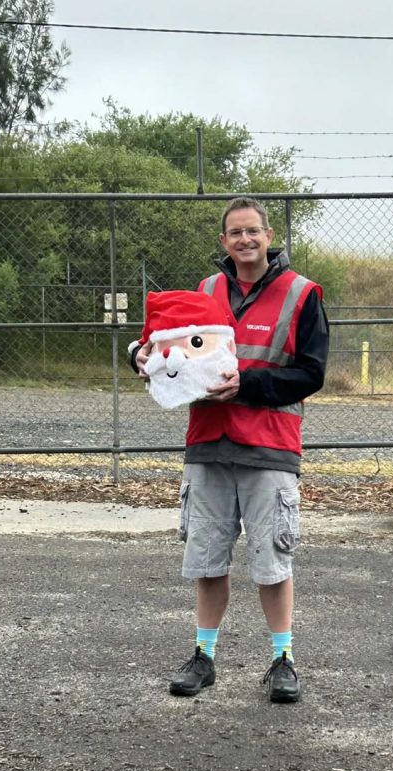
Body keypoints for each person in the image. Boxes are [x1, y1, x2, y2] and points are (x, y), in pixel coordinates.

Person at [133, 196, 329, 703]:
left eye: (253, 232)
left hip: (269, 446)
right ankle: (204, 655)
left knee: (272, 560)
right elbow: (158, 340)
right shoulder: (205, 291)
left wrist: (247, 386)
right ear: (224, 241)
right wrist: (141, 354)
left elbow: (311, 373)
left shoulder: (301, 294)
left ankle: (282, 660)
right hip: (209, 444)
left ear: (268, 236)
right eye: (235, 233)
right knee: (207, 558)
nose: (245, 240)